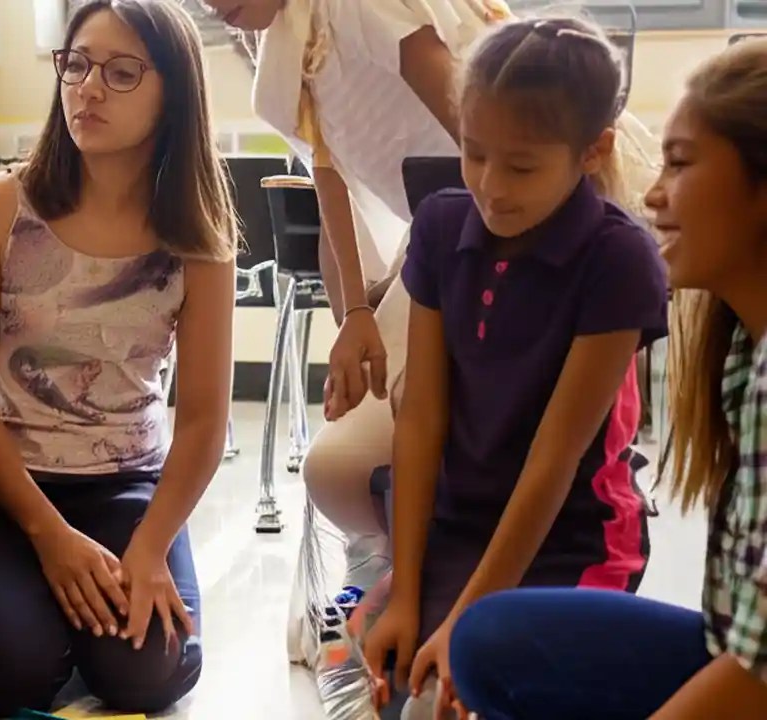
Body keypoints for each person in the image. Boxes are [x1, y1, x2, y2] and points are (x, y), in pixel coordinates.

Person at [203, 0, 662, 593]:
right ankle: (403, 571)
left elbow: (482, 133)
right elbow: (327, 168)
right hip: (444, 238)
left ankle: (575, 513)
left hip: (512, 240)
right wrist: (357, 313)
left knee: (509, 434)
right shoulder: (284, 42)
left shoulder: (358, 9)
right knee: (346, 464)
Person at [353, 16, 668, 718]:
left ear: (593, 152)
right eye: (473, 154)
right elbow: (423, 418)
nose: (490, 187)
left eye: (521, 166)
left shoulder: (619, 259)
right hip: (458, 520)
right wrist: (407, 593)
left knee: (486, 679)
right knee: (410, 687)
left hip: (574, 535)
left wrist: (466, 618)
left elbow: (553, 461)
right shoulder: (439, 226)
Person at [448, 39, 767, 720]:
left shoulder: (614, 262)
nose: (652, 193)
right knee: (489, 640)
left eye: (679, 164)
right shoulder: (744, 346)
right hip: (738, 658)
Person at [0, 0, 236, 715]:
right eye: (76, 64)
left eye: (122, 71)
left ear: (175, 92)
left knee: (150, 672)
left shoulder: (198, 237)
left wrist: (151, 546)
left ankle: (76, 622)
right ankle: (47, 620)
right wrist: (49, 537)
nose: (88, 87)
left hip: (124, 485)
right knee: (7, 677)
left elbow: (201, 422)